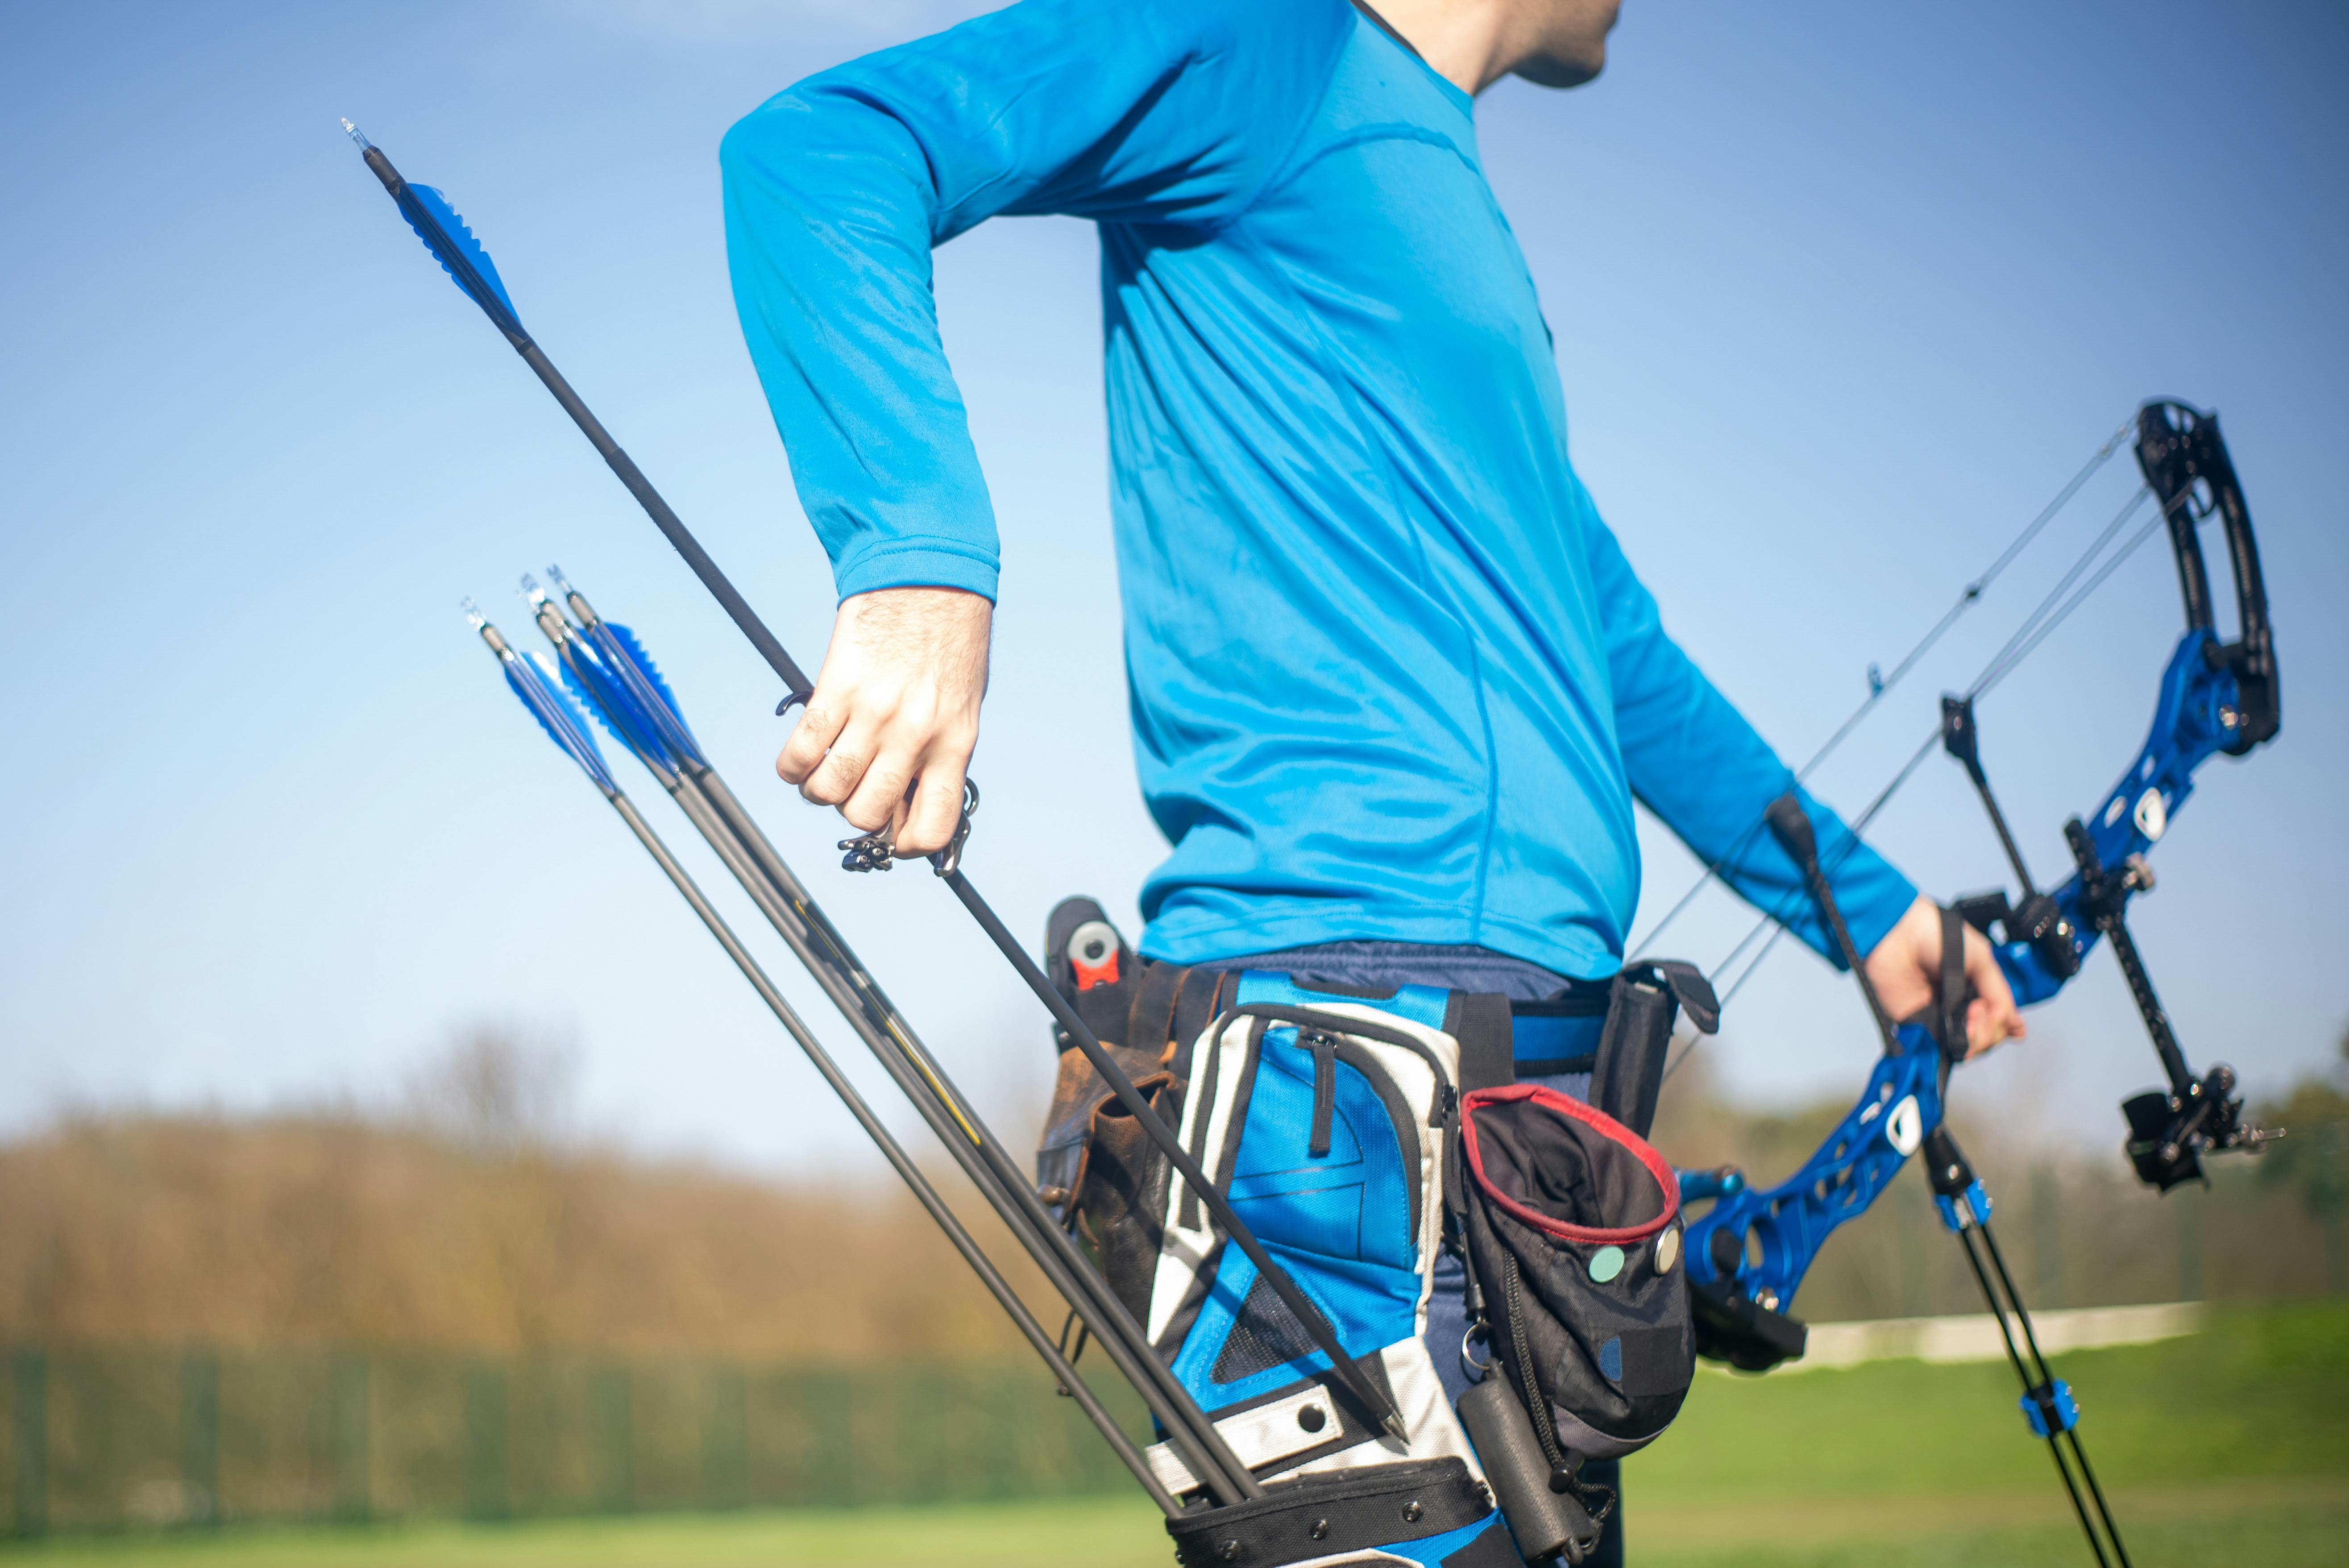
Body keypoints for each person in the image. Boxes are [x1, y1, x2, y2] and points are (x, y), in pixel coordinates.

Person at [720, 0, 2025, 1558]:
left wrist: (1874, 918)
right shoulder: (1272, 42)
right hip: (1344, 1101)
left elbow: (1608, 642)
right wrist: (916, 547)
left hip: (1525, 1119)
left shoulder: (1445, 185)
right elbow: (822, 151)